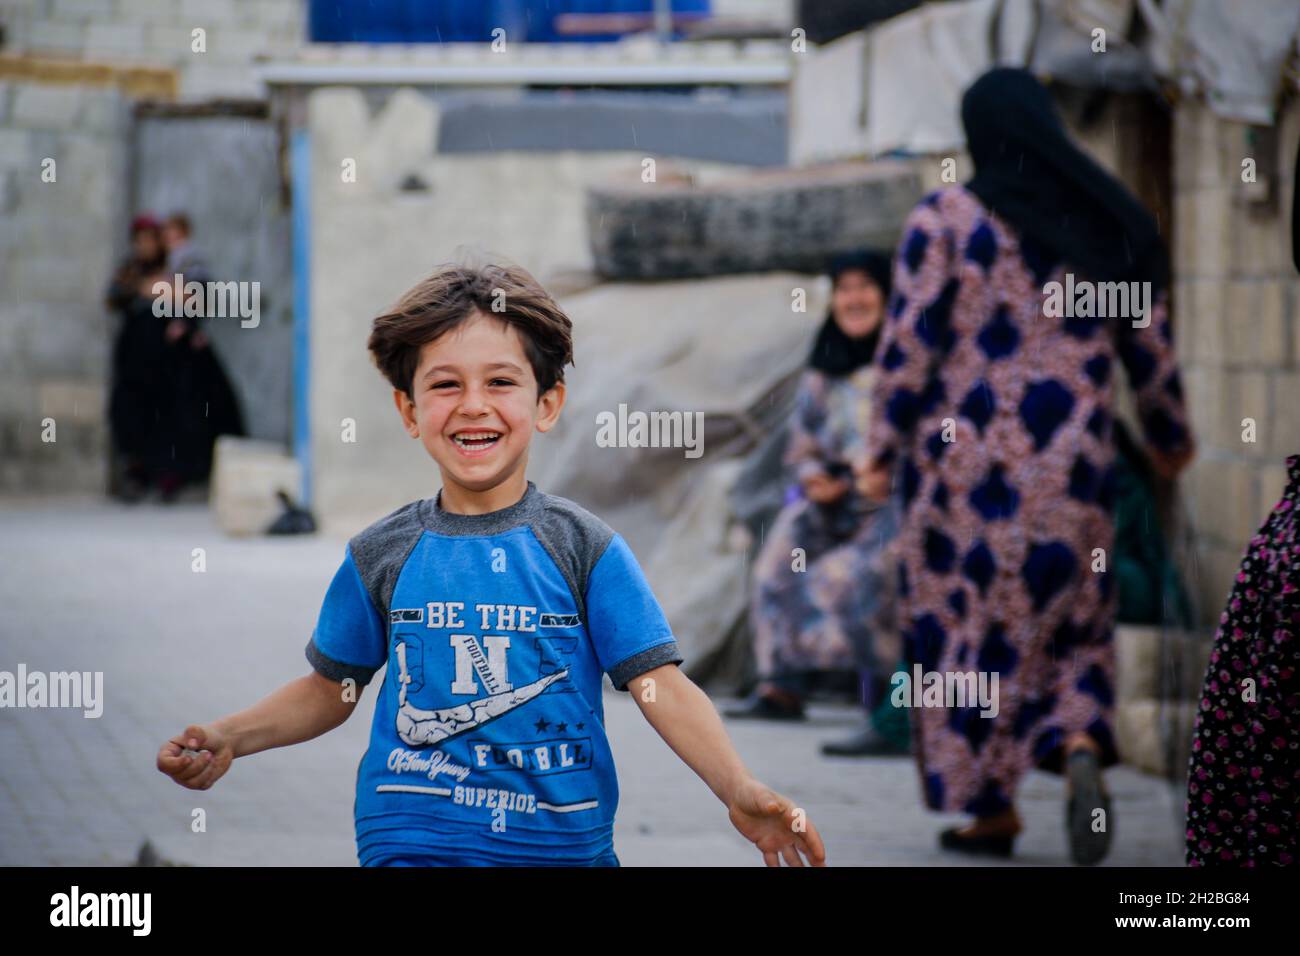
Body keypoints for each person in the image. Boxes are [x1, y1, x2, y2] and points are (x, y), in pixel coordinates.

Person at [157, 262, 826, 868]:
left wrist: (736, 787)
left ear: (547, 403)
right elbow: (331, 688)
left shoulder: (584, 549)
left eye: (501, 382)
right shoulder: (381, 553)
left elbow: (662, 688)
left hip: (559, 851)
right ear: (409, 410)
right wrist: (229, 736)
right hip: (408, 844)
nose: (473, 405)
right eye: (445, 385)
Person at [857, 67, 1194, 863]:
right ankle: (1077, 738)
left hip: (961, 483)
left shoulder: (946, 219)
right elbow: (1147, 341)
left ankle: (990, 808)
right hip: (1074, 470)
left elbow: (908, 346)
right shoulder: (1100, 219)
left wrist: (878, 447)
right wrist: (1169, 432)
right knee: (1072, 623)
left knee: (966, 638)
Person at [726, 251, 904, 756]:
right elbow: (803, 444)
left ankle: (893, 714)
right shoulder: (827, 365)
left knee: (855, 576)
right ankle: (782, 686)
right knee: (775, 565)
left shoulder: (906, 361)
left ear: (889, 295)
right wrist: (814, 479)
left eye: (865, 287)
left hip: (897, 502)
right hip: (836, 500)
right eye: (844, 289)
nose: (854, 300)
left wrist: (887, 473)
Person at [106, 214, 169, 501]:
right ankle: (135, 474)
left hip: (162, 355)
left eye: (149, 240)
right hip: (133, 353)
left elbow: (192, 298)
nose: (144, 246)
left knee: (162, 411)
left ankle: (164, 475)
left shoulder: (170, 266)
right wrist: (141, 288)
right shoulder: (131, 269)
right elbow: (113, 297)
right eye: (139, 241)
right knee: (128, 411)